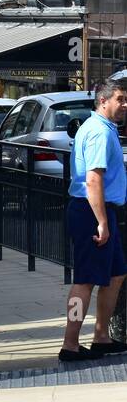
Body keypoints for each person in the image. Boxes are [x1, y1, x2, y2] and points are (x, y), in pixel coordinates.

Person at [60, 78, 127, 362]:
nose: (125, 105)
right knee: (85, 281)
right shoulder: (99, 132)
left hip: (100, 210)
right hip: (91, 212)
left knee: (116, 274)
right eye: (120, 99)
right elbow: (93, 180)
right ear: (103, 101)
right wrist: (102, 222)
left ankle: (101, 337)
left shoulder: (101, 128)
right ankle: (70, 344)